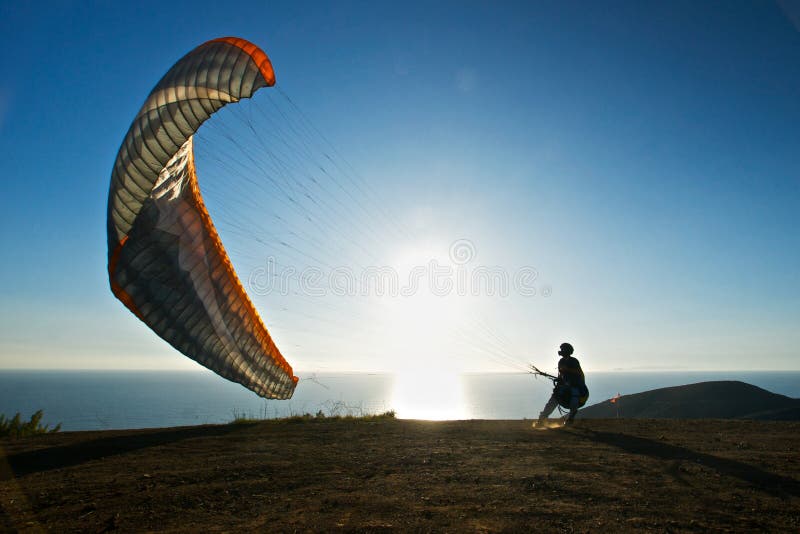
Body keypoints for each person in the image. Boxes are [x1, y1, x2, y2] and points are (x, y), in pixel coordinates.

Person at [536, 342, 587, 426]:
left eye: (563, 349)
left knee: (574, 399)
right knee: (553, 400)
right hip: (564, 385)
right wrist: (559, 379)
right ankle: (542, 419)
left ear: (568, 351)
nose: (561, 351)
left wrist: (567, 372)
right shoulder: (561, 361)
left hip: (575, 385)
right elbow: (561, 374)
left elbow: (577, 373)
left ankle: (570, 419)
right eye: (561, 349)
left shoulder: (574, 361)